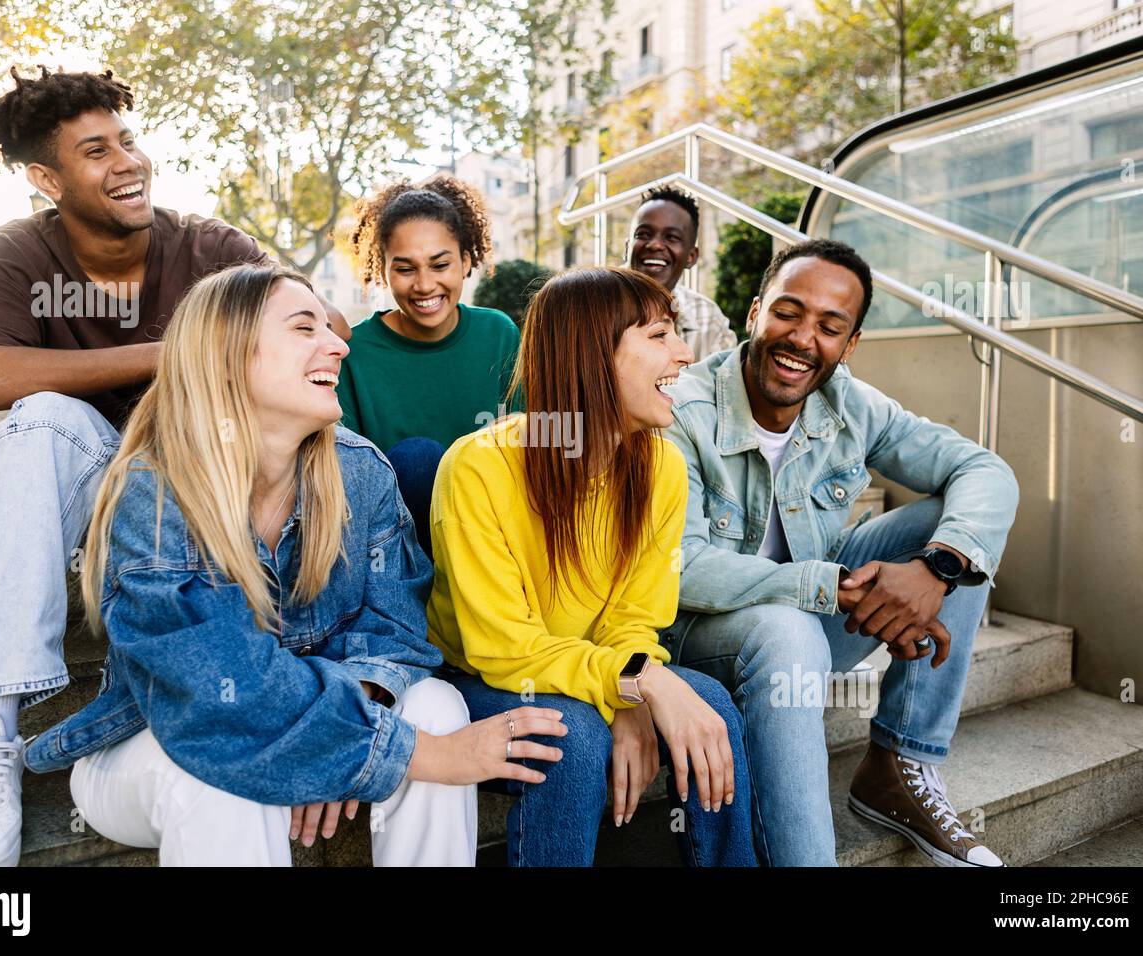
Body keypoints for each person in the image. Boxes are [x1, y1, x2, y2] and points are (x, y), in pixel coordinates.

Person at [0, 66, 349, 867]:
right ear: (46, 177)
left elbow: (321, 323)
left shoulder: (209, 247)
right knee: (37, 422)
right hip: (96, 482)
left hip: (203, 479)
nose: (127, 162)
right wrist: (174, 352)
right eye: (96, 150)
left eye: (128, 140)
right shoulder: (18, 252)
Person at [21, 263, 568, 866]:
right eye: (304, 327)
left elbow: (401, 636)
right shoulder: (156, 493)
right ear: (227, 354)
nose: (337, 343)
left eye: (329, 329)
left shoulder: (359, 471)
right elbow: (222, 695)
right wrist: (399, 752)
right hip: (153, 746)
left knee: (436, 709)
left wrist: (329, 744)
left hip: (311, 712)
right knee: (229, 778)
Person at [661, 238, 1020, 867]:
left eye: (830, 327)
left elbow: (983, 468)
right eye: (788, 313)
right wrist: (835, 588)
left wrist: (934, 571)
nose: (802, 339)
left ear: (849, 345)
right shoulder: (684, 409)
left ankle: (898, 763)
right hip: (700, 638)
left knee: (958, 528)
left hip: (811, 625)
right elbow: (680, 568)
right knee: (786, 628)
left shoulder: (850, 404)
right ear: (754, 313)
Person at [427, 266, 756, 867]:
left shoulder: (661, 467)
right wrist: (637, 684)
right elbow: (505, 648)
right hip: (478, 679)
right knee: (571, 736)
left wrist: (631, 693)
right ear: (593, 357)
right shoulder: (477, 468)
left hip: (590, 669)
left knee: (711, 706)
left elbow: (636, 616)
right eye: (659, 336)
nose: (684, 354)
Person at [341, 176, 521, 553]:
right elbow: (351, 480)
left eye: (439, 265)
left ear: (466, 261)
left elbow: (522, 448)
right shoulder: (355, 352)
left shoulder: (498, 333)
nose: (424, 285)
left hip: (490, 531)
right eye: (405, 269)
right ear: (384, 269)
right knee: (419, 459)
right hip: (396, 544)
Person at [626, 185, 736, 361]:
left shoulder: (708, 318)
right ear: (627, 247)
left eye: (671, 237)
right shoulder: (595, 305)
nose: (655, 245)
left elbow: (724, 384)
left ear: (691, 256)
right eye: (644, 234)